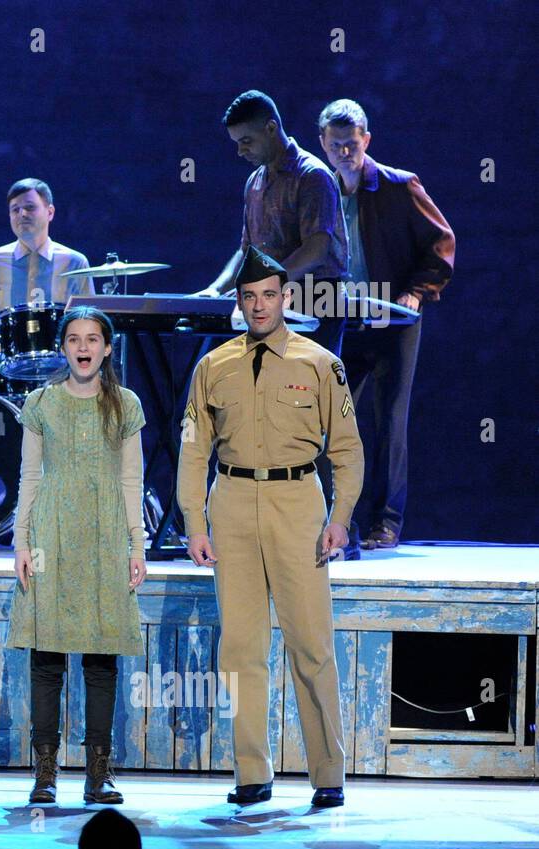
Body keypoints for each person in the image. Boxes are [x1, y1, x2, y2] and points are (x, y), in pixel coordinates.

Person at [177, 247, 362, 809]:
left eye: (269, 295)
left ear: (286, 297)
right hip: (231, 501)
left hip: (297, 501)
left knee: (311, 644)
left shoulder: (319, 363)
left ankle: (328, 774)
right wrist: (193, 521)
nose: (260, 306)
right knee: (240, 648)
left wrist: (341, 517)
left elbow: (348, 448)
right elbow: (192, 451)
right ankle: (251, 774)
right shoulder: (213, 365)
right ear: (239, 301)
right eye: (249, 297)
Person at [197, 89, 354, 557]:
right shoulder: (256, 183)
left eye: (246, 141)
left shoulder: (313, 175)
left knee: (311, 416)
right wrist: (217, 289)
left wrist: (269, 284)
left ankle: (336, 533)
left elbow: (318, 247)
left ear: (271, 128)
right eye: (235, 144)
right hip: (271, 306)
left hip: (314, 303)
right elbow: (246, 251)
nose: (240, 151)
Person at [9, 306, 147, 805]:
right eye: (73, 339)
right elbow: (29, 476)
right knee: (47, 656)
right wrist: (22, 542)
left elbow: (132, 479)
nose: (83, 347)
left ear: (107, 347)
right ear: (62, 347)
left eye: (93, 339)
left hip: (105, 532)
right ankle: (45, 771)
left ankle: (98, 772)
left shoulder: (125, 404)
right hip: (53, 531)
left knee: (101, 656)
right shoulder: (41, 402)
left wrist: (138, 543)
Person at [317, 98, 455, 550]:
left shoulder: (399, 185)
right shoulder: (322, 192)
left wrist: (415, 291)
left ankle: (387, 522)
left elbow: (441, 242)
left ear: (367, 141)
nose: (344, 153)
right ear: (322, 143)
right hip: (346, 319)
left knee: (390, 421)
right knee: (335, 419)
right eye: (335, 145)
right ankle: (342, 520)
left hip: (394, 323)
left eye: (351, 145)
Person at [0, 178, 91, 324]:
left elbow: (90, 323)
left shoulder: (75, 263)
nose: (22, 214)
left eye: (30, 207)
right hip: (2, 348)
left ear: (50, 212)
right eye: (15, 209)